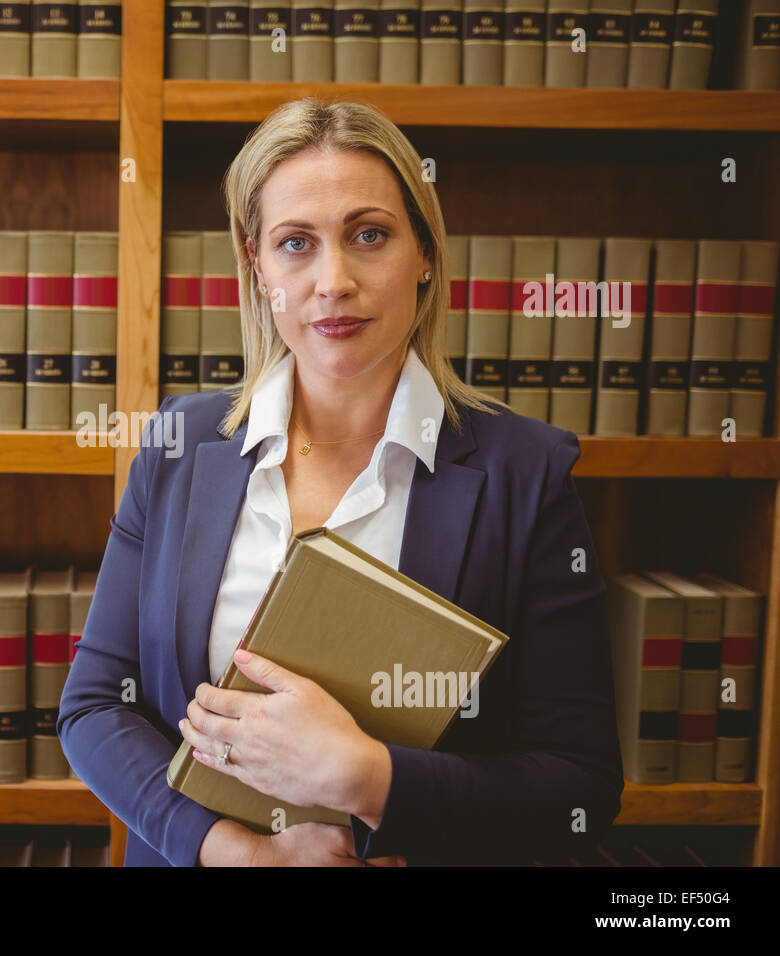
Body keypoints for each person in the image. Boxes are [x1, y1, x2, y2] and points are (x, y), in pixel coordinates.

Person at [57, 97, 624, 867]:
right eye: (295, 243)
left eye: (369, 235)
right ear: (257, 266)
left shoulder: (528, 475)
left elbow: (580, 789)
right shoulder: (178, 446)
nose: (334, 281)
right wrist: (233, 853)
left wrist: (370, 777)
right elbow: (94, 708)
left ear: (424, 254)